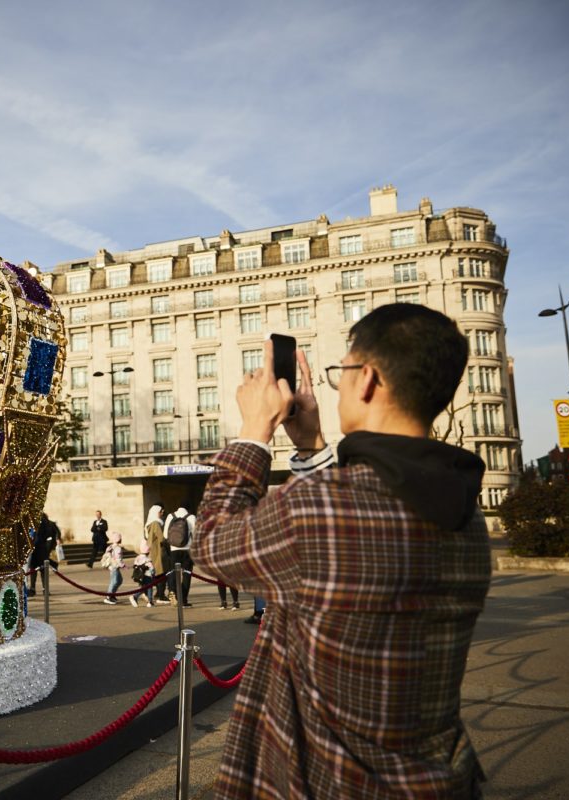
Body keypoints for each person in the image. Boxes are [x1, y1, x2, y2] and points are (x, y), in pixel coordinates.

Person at [194, 304, 490, 798]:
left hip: (331, 781)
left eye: (343, 371)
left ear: (367, 379)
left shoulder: (319, 510)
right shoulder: (464, 512)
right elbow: (347, 539)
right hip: (434, 776)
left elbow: (210, 545)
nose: (338, 385)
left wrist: (254, 433)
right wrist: (312, 447)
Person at [163, 507, 194, 607]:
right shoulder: (191, 517)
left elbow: (165, 535)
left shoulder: (171, 516)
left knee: (173, 571)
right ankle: (183, 599)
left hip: (173, 549)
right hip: (187, 550)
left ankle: (173, 591)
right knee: (186, 574)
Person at [27, 513, 58, 596]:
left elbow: (48, 537)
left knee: (42, 570)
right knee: (34, 570)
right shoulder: (32, 522)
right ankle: (34, 588)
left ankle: (43, 589)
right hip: (37, 550)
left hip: (40, 550)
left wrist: (47, 549)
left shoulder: (44, 523)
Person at [144, 504, 170, 604]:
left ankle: (157, 593)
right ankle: (161, 595)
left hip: (154, 551)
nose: (162, 513)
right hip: (158, 551)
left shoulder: (150, 523)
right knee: (162, 573)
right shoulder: (155, 523)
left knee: (157, 574)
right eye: (160, 511)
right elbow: (161, 538)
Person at [129, 539, 156, 607]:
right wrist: (153, 573)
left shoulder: (137, 558)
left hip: (140, 576)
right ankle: (146, 600)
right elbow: (152, 568)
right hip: (147, 576)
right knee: (148, 588)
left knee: (144, 588)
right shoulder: (147, 559)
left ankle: (148, 600)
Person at [100, 531, 124, 605]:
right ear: (119, 539)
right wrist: (123, 565)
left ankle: (112, 594)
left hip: (111, 566)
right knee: (114, 581)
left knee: (119, 580)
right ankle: (108, 596)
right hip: (114, 567)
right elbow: (118, 559)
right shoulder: (118, 548)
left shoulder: (109, 547)